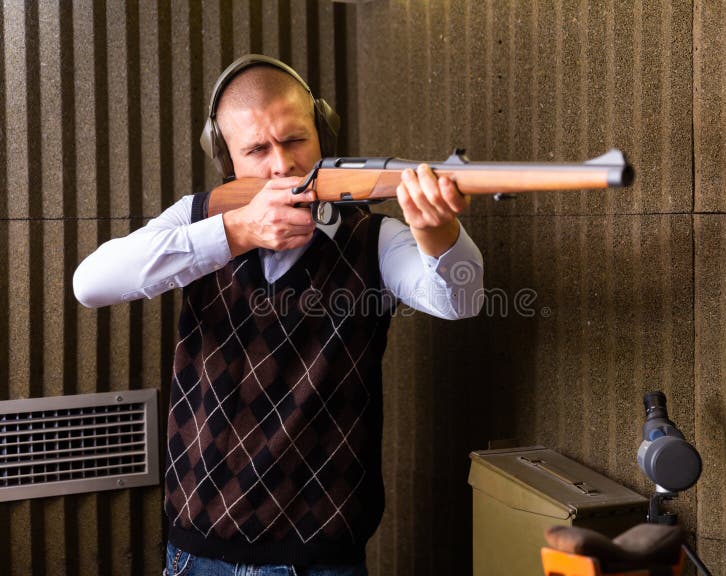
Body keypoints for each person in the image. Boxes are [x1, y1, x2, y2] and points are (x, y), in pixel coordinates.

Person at [73, 54, 484, 576]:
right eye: (257, 150)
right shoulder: (199, 219)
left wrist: (435, 229)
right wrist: (236, 231)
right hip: (194, 553)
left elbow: (460, 301)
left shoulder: (372, 238)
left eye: (295, 140)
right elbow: (90, 284)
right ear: (227, 158)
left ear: (322, 135)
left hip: (320, 561)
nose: (282, 165)